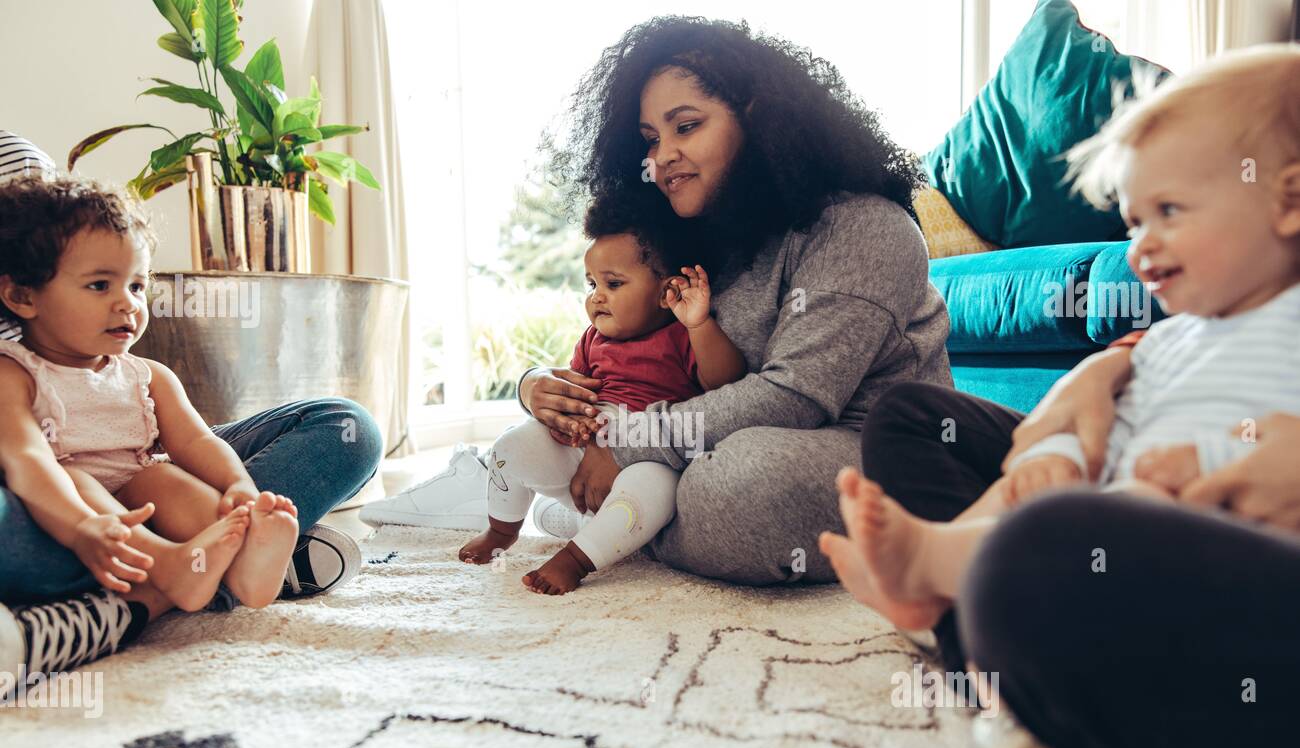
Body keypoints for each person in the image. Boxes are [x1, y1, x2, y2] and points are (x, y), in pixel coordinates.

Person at [852, 45, 1300, 748]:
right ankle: (1016, 668)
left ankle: (978, 602)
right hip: (1135, 556)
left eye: (1169, 211)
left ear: (1288, 199)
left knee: (1044, 552)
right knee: (908, 418)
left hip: (1216, 557)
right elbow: (1105, 442)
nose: (1139, 247)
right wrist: (1059, 439)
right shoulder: (1170, 341)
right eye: (1131, 222)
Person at [364, 16, 952, 587]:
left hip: (864, 452)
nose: (662, 154)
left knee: (739, 485)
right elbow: (626, 349)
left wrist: (620, 444)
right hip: (711, 441)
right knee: (689, 472)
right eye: (650, 139)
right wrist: (535, 386)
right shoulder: (708, 235)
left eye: (686, 126)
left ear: (759, 119)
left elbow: (793, 399)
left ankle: (578, 515)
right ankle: (572, 500)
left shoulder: (864, 226)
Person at [0, 134, 381, 682]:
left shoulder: (148, 375)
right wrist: (85, 528)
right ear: (22, 297)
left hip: (139, 487)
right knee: (76, 484)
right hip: (65, 503)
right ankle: (177, 572)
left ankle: (238, 564)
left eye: (136, 284)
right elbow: (28, 461)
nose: (127, 304)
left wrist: (240, 492)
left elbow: (198, 442)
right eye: (100, 285)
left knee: (172, 480)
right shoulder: (15, 372)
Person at [459, 204, 745, 594]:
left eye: (613, 284)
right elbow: (574, 394)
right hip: (582, 460)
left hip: (646, 459)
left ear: (666, 293)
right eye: (591, 284)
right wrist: (566, 420)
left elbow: (727, 382)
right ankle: (501, 529)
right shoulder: (592, 340)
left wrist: (699, 323)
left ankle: (576, 558)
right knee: (512, 443)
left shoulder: (682, 336)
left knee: (653, 487)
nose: (596, 298)